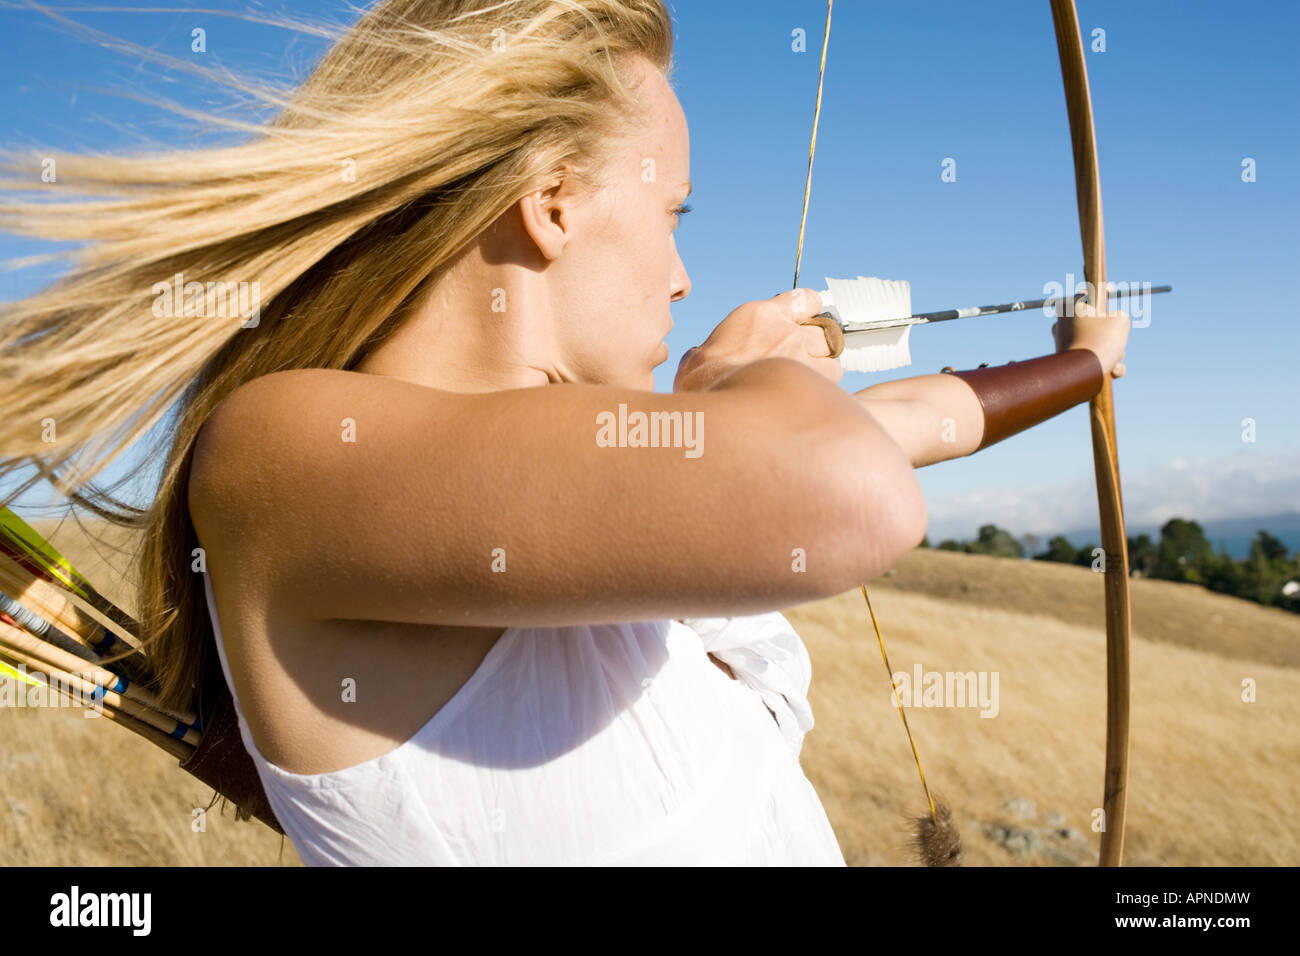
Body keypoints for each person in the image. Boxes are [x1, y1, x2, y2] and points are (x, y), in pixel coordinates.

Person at [0, 0, 1128, 865]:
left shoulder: (609, 464)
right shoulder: (291, 448)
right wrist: (735, 382)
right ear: (552, 202)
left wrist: (1086, 359)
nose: (685, 275)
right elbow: (852, 492)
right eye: (672, 212)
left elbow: (900, 426)